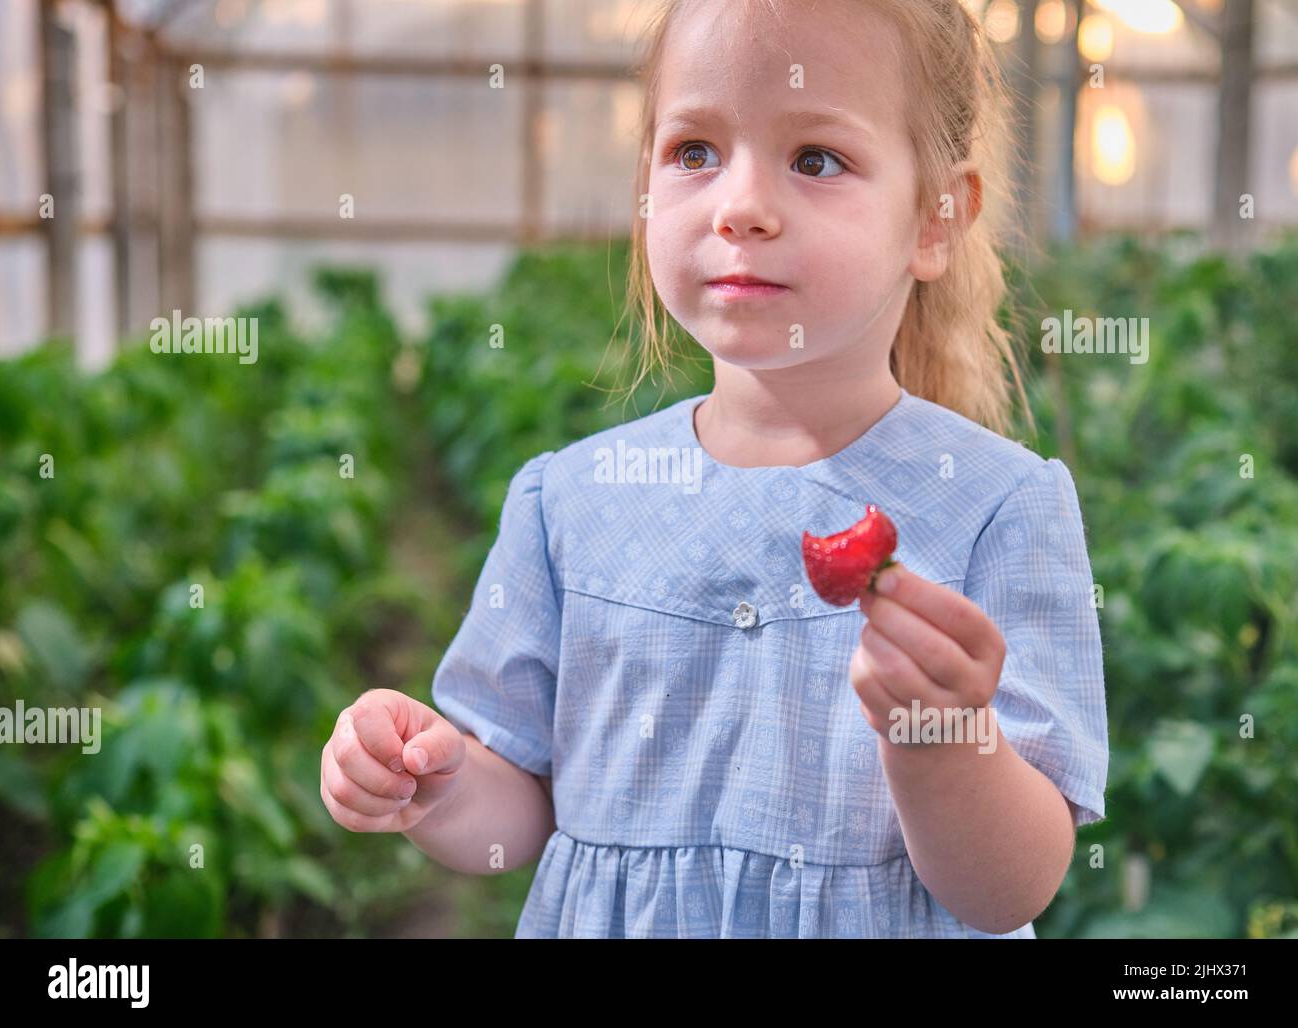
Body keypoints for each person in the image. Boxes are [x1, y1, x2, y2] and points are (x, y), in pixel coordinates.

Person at [320, 0, 1109, 938]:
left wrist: (939, 740)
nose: (740, 207)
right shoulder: (568, 502)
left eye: (816, 159)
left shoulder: (999, 507)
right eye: (694, 151)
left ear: (936, 219)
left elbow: (1009, 890)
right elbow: (520, 811)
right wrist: (434, 783)